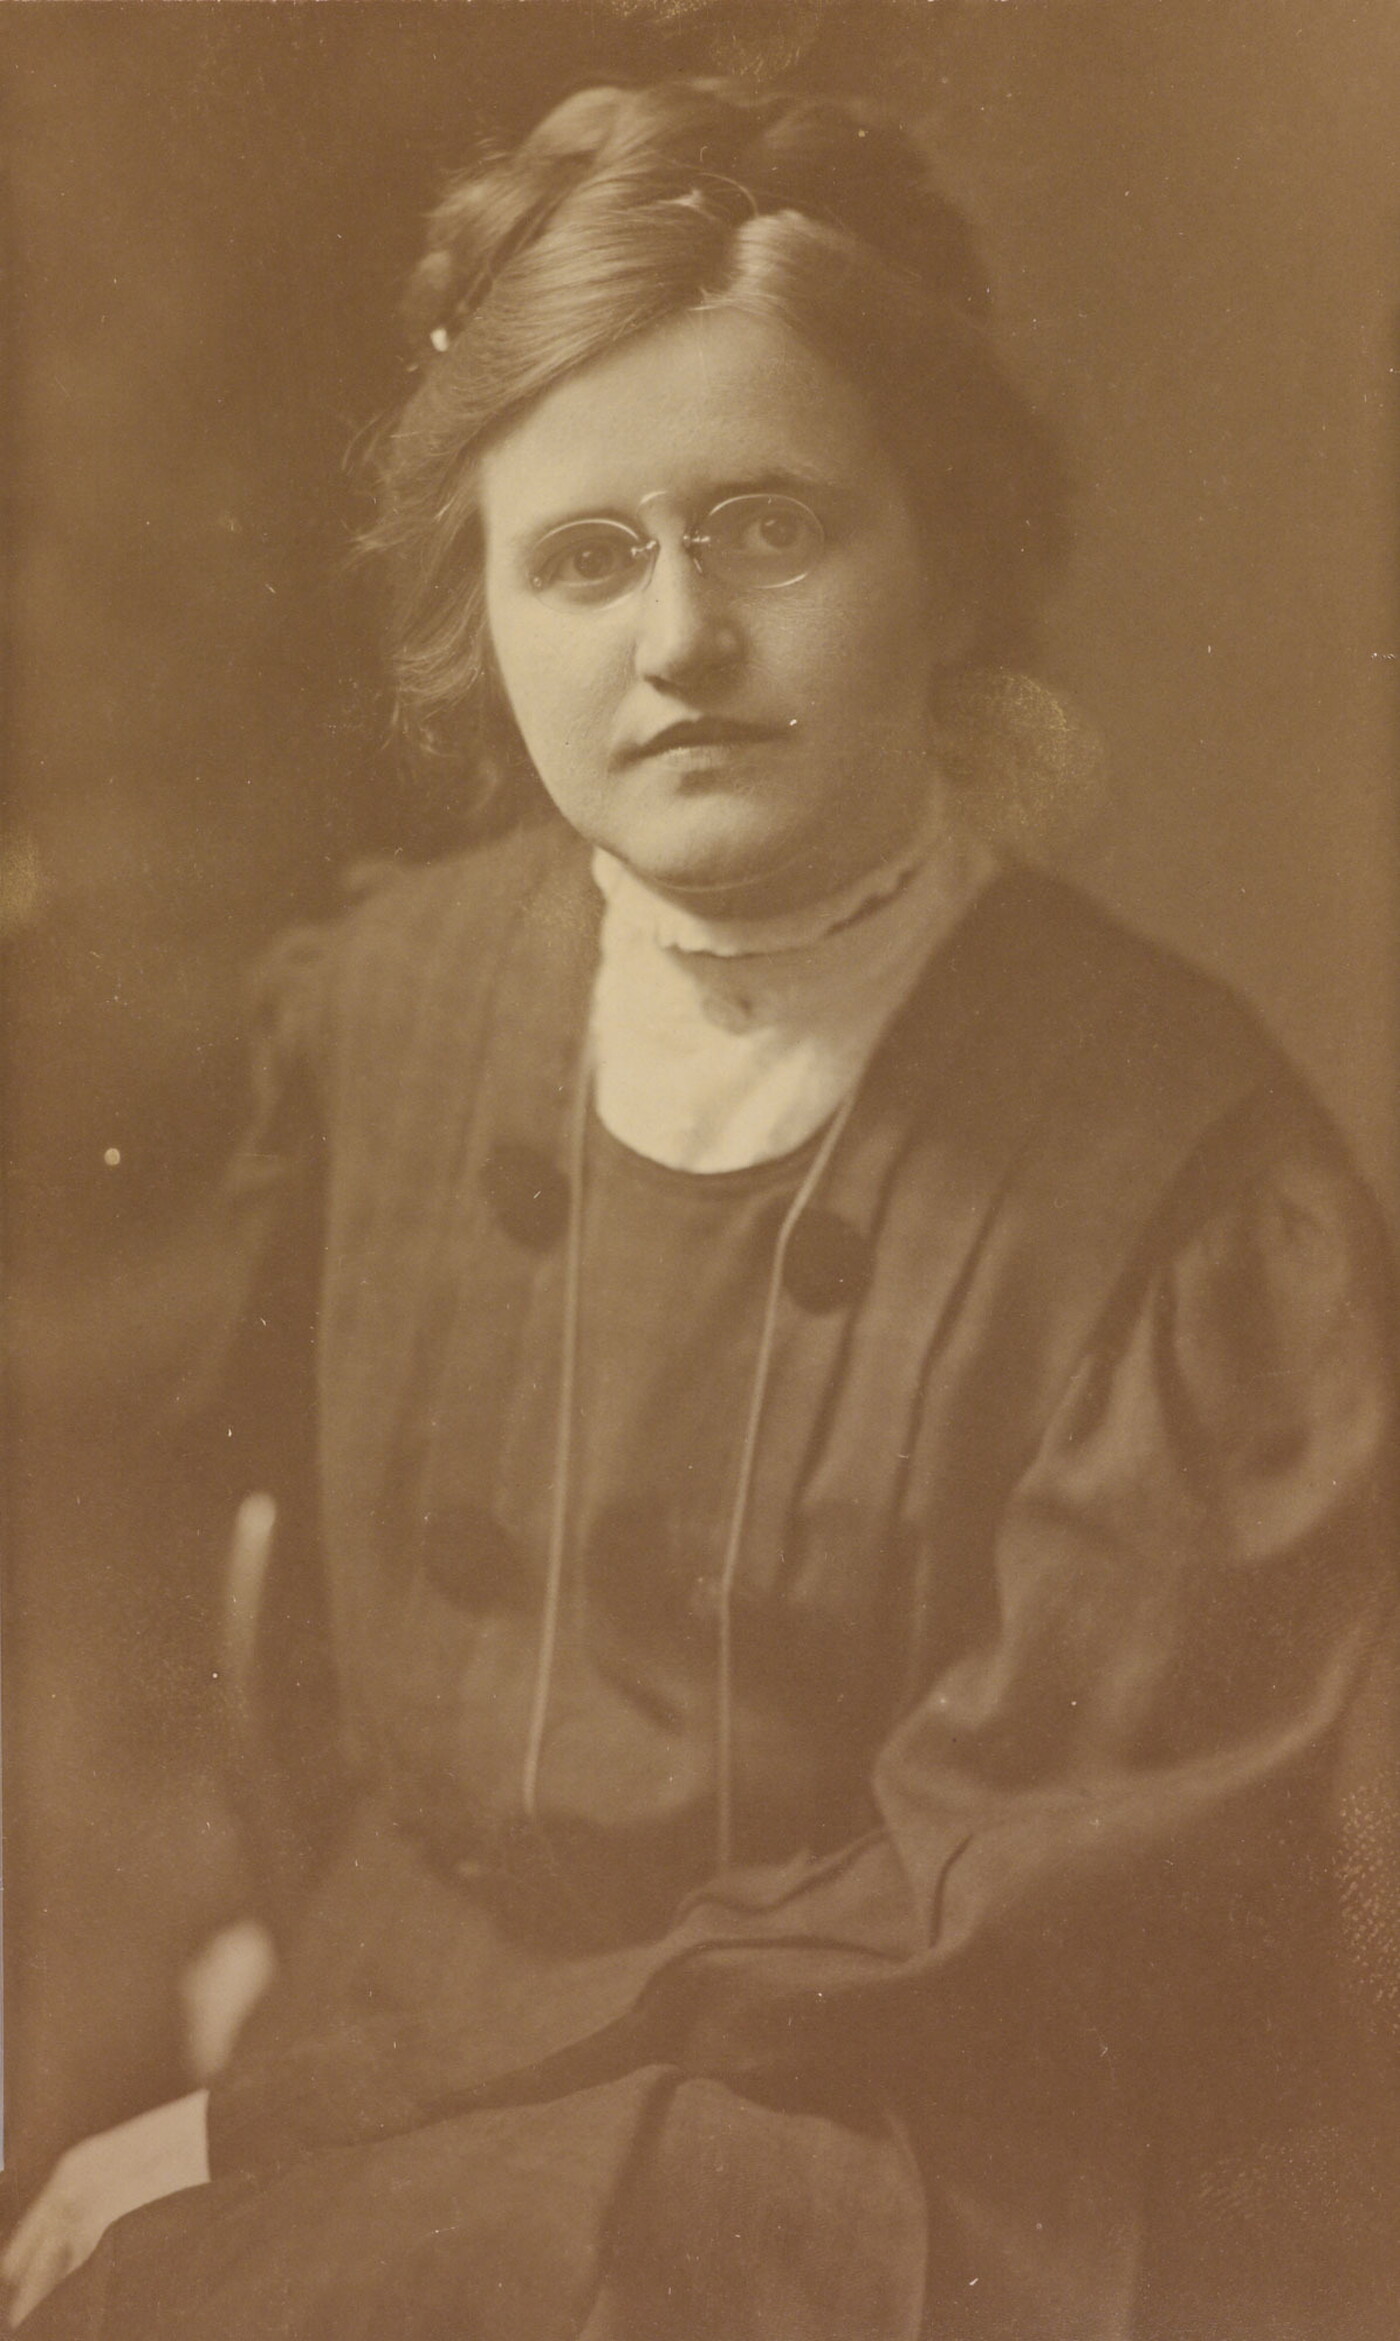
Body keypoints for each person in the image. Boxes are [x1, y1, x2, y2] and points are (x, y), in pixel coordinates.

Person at [7, 75, 1400, 2341]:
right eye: (581, 554)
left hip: (903, 2129)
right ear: (481, 598)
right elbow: (311, 1625)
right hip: (402, 2024)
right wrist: (302, 2018)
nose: (675, 642)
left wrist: (288, 2128)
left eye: (765, 528)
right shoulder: (386, 1005)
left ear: (940, 549)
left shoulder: (1184, 1174)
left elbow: (988, 1924)